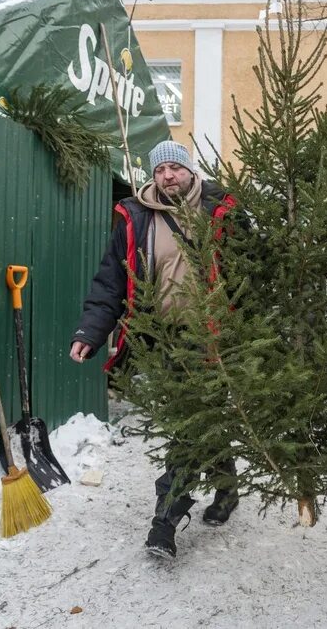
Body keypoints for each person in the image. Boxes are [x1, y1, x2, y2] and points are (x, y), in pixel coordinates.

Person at [70, 140, 240, 559]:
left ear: (190, 171)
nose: (167, 176)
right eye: (160, 169)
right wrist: (90, 332)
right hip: (165, 338)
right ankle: (227, 488)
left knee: (191, 424)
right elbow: (111, 281)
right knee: (201, 419)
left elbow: (252, 269)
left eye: (175, 168)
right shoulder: (137, 216)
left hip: (214, 338)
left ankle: (165, 521)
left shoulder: (221, 210)